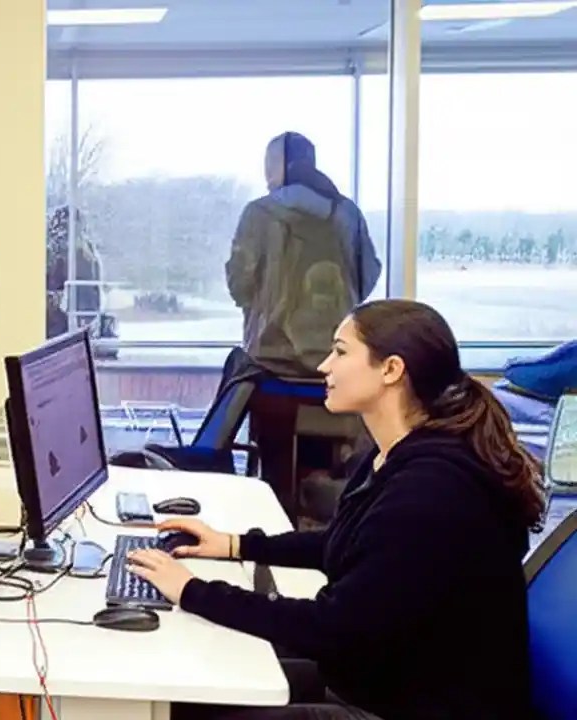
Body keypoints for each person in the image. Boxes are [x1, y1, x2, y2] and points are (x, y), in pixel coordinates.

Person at [128, 299, 542, 720]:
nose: (325, 366)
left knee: (183, 706)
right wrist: (236, 545)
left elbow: (332, 628)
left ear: (391, 370)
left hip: (408, 705)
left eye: (341, 352)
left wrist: (192, 590)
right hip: (381, 679)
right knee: (187, 691)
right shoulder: (394, 454)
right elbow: (350, 544)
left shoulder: (430, 490)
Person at [226, 132, 382, 378]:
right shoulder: (348, 213)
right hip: (336, 359)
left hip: (270, 360)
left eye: (270, 164)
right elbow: (367, 276)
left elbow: (239, 284)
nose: (266, 175)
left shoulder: (258, 213)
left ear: (282, 166)